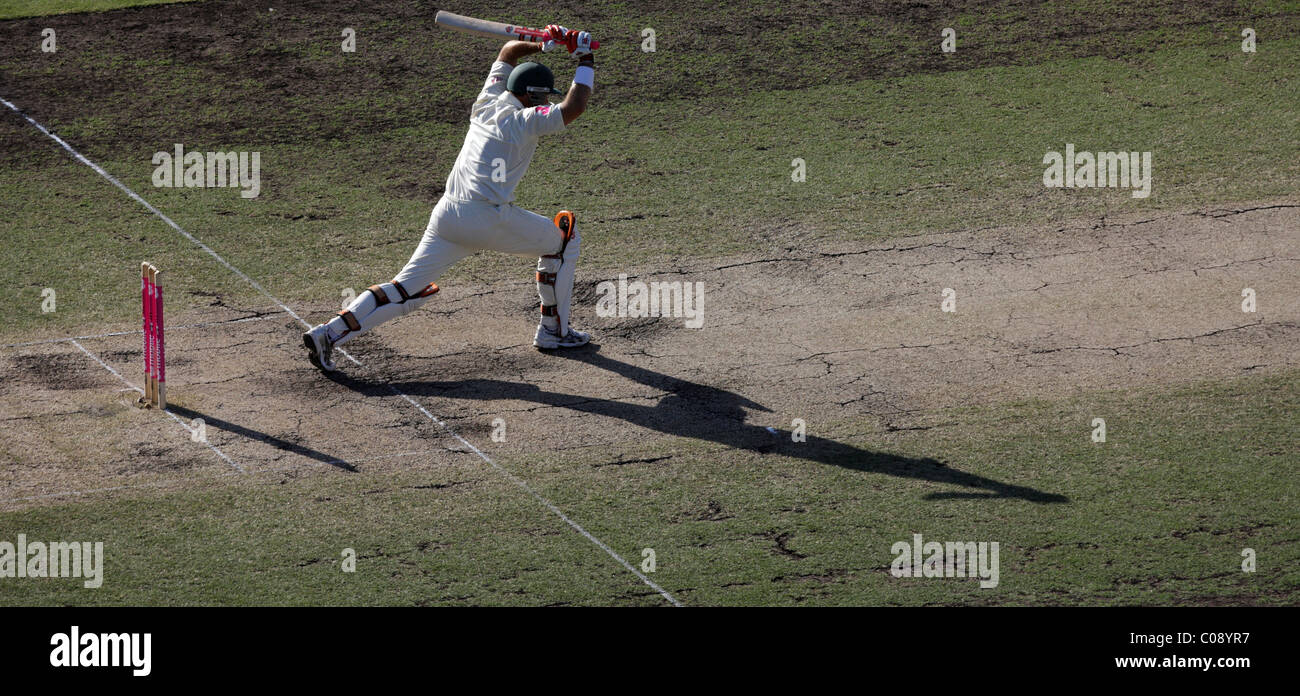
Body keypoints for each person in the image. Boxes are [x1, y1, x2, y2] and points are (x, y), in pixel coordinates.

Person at [303, 25, 597, 371]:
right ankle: (554, 331)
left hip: (448, 215)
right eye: (544, 95)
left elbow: (507, 52)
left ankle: (328, 333)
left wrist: (542, 43)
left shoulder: (487, 102)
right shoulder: (523, 122)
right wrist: (585, 57)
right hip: (487, 218)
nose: (547, 100)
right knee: (564, 239)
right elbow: (573, 106)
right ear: (531, 97)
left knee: (405, 288)